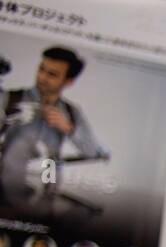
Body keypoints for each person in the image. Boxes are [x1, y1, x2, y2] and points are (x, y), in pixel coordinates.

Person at [0, 47, 108, 207]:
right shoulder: (9, 99)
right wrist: (7, 119)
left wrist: (69, 129)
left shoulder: (72, 112)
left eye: (52, 74)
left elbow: (94, 153)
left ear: (68, 81)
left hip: (44, 203)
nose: (42, 77)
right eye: (41, 69)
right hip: (5, 198)